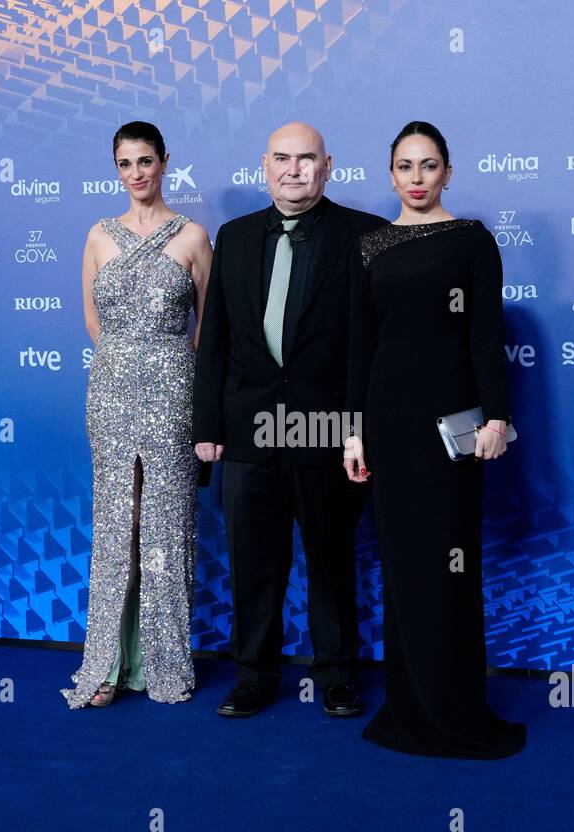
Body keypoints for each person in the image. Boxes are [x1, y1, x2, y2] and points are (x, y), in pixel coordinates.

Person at [343, 121, 528, 758]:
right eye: (404, 166)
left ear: (448, 171)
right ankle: (411, 710)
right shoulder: (368, 246)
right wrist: (353, 433)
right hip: (388, 426)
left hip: (453, 430)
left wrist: (496, 420)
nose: (416, 179)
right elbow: (359, 350)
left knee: (451, 567)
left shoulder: (473, 242)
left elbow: (484, 339)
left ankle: (455, 711)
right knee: (403, 568)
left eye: (428, 166)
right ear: (390, 174)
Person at [193, 121, 387, 718]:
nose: (294, 169)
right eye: (283, 158)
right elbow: (216, 341)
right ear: (265, 165)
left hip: (327, 429)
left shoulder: (365, 235)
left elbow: (372, 348)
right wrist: (206, 427)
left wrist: (359, 428)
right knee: (255, 561)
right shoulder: (236, 236)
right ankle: (254, 675)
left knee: (330, 559)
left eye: (307, 159)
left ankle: (335, 675)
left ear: (328, 167)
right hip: (249, 428)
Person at [62, 121, 212, 708]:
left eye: (146, 161)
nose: (137, 174)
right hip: (112, 391)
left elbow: (210, 329)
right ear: (115, 168)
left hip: (175, 392)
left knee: (167, 526)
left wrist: (172, 369)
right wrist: (128, 362)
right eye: (125, 164)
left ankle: (163, 666)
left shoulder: (194, 237)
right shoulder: (98, 235)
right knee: (115, 525)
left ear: (165, 161)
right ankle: (106, 666)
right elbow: (93, 324)